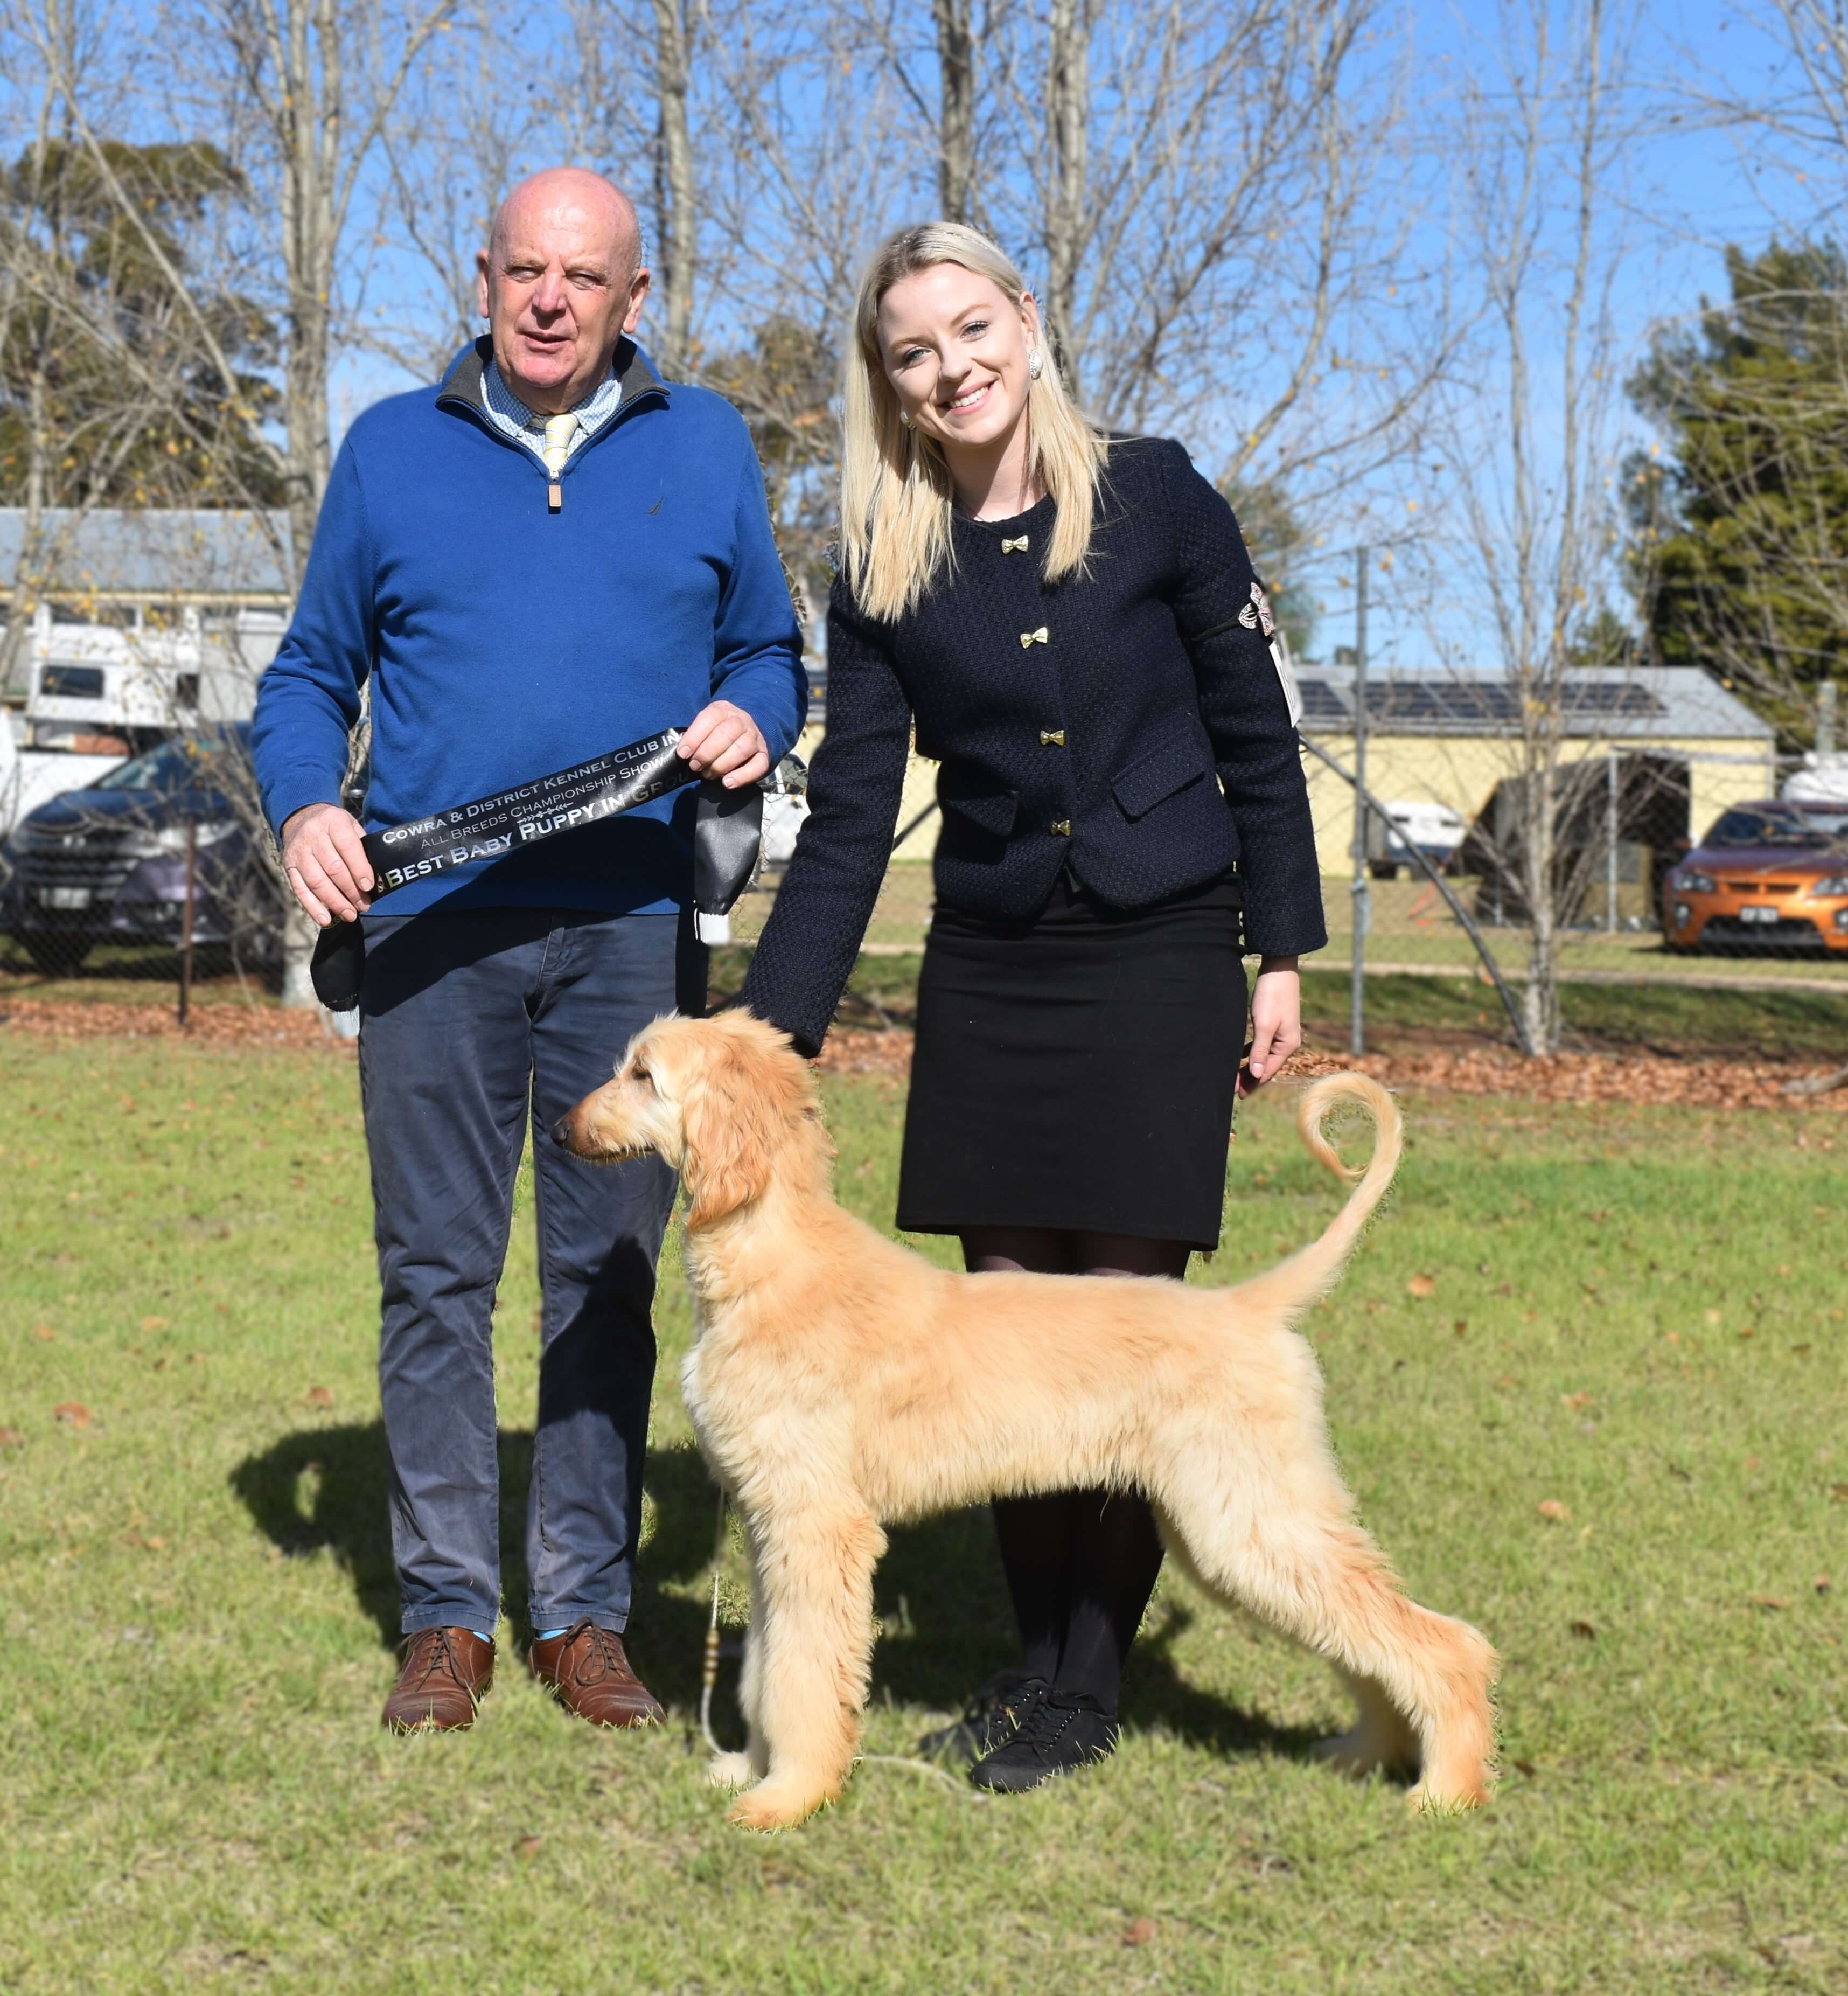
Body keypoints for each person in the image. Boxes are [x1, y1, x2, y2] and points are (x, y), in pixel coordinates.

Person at [740, 222, 1324, 1792]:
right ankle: (1036, 1664)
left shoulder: (1158, 496)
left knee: (1127, 1346)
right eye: (915, 351)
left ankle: (1079, 1686)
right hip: (995, 963)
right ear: (891, 384)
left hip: (1162, 948)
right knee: (1002, 1340)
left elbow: (1256, 734)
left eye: (972, 328)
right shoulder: (878, 558)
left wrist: (1282, 949)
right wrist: (764, 1028)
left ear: (1031, 323)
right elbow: (854, 815)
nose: (953, 366)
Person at [252, 168, 805, 1732]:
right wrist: (304, 804)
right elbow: (306, 674)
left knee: (607, 1269)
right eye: (523, 271)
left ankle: (579, 1607)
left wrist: (752, 718)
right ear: (483, 279)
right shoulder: (390, 451)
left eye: (584, 275)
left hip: (628, 932)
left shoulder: (702, 448)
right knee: (434, 1273)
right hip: (430, 928)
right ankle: (444, 1613)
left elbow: (769, 646)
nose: (549, 298)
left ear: (639, 298)